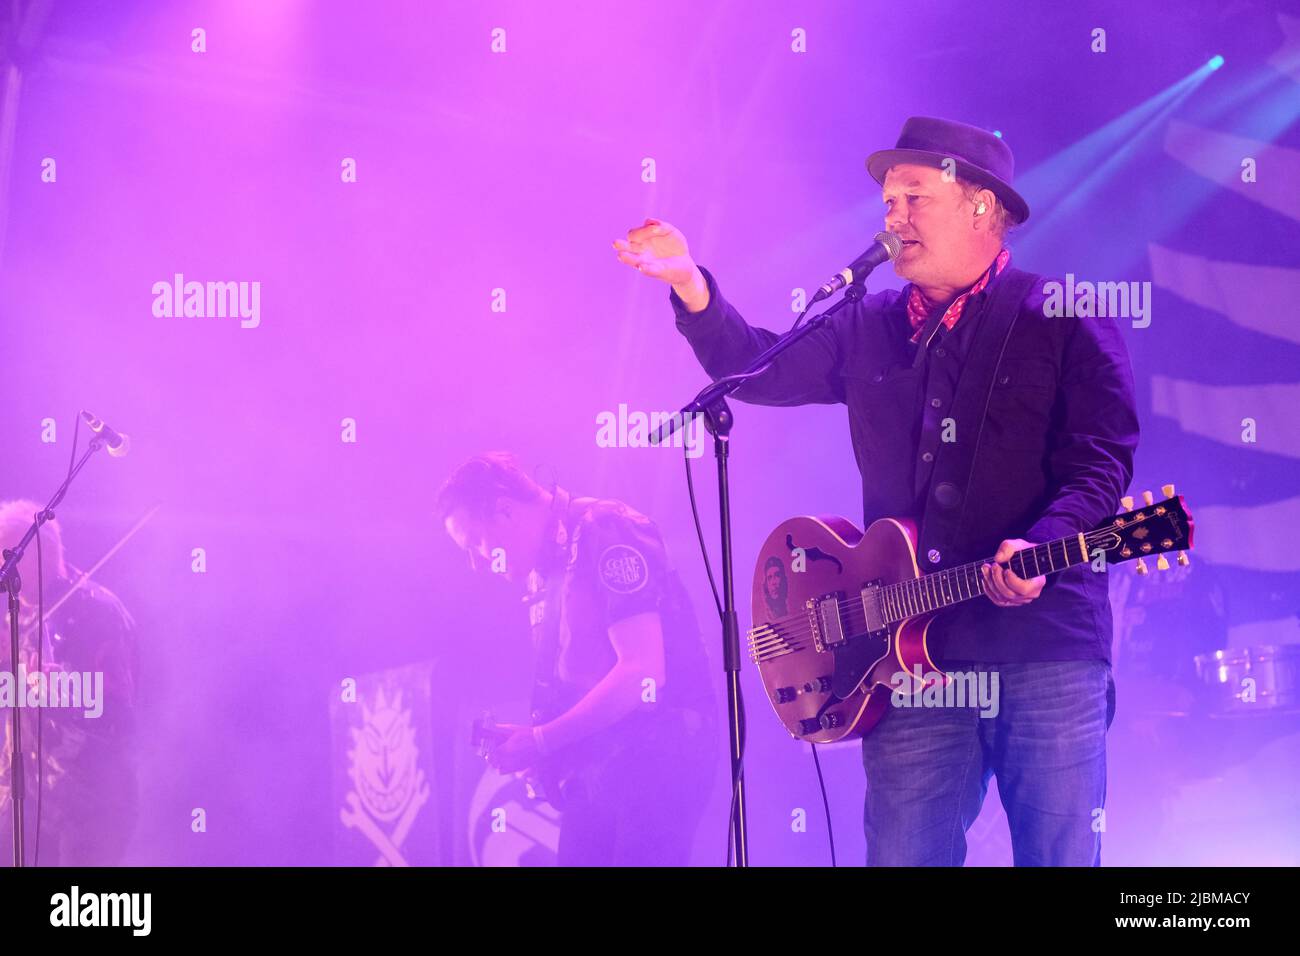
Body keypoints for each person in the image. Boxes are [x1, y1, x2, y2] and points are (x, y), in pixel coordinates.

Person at [613, 116, 1140, 866]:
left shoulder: (1058, 312)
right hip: (908, 660)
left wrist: (1042, 545)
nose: (893, 220)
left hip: (1043, 651)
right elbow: (756, 367)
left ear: (981, 206)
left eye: (915, 198)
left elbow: (1101, 460)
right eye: (888, 204)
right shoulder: (869, 323)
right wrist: (692, 287)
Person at [437, 453, 719, 866]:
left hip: (657, 759)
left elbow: (642, 672)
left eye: (476, 542)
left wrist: (543, 740)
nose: (478, 563)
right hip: (602, 772)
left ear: (504, 508)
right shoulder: (543, 568)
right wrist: (548, 746)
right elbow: (586, 681)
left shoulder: (606, 529)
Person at [0, 499, 139, 865]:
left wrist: (72, 692)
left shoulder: (97, 612)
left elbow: (124, 717)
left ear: (42, 552)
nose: (1, 566)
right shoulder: (15, 613)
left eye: (7, 554)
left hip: (91, 804)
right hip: (25, 799)